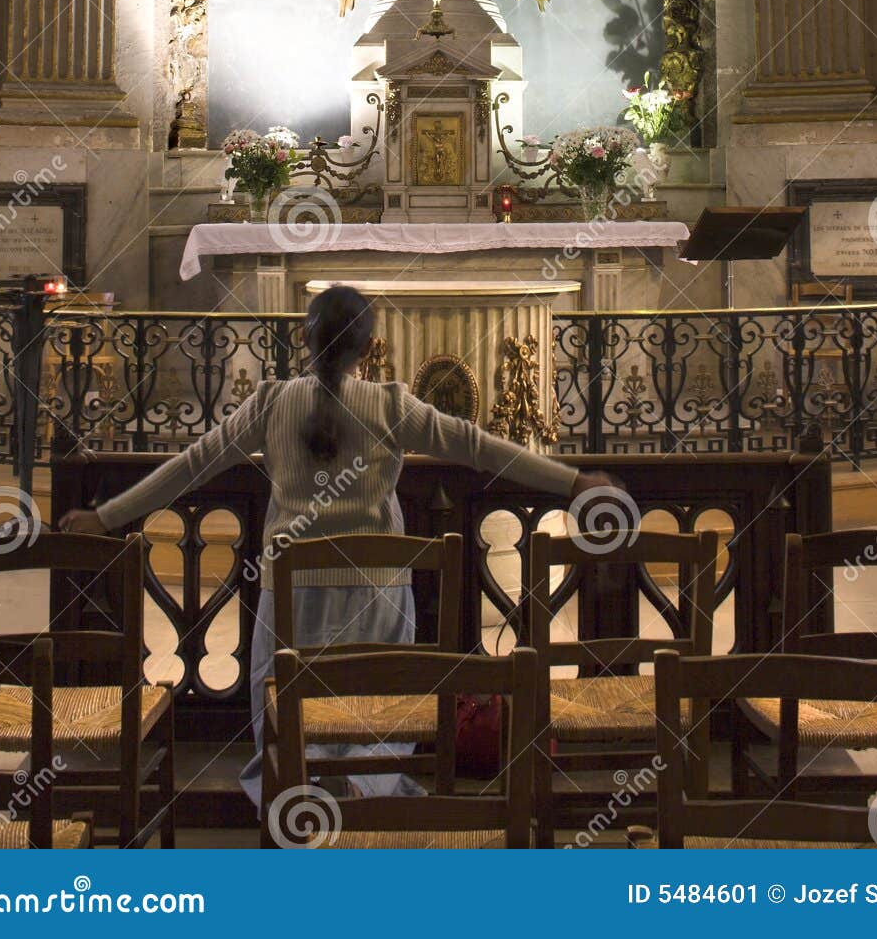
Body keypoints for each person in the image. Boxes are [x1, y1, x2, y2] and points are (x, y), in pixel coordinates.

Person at [60, 284, 613, 811]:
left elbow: (189, 467)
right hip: (378, 597)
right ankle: (365, 798)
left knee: (290, 708)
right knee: (377, 712)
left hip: (292, 597)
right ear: (370, 348)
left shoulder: (271, 404)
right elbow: (479, 447)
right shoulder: (391, 405)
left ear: (305, 339)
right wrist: (571, 483)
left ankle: (302, 792)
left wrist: (105, 517)